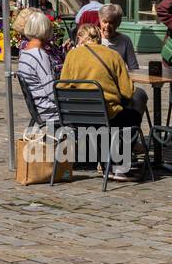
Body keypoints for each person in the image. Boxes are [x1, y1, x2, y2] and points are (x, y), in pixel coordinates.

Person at [59, 22, 141, 179]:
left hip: (78, 116)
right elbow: (128, 91)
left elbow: (63, 86)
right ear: (99, 37)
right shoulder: (112, 55)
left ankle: (106, 163)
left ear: (80, 38)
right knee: (132, 114)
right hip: (107, 115)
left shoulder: (71, 56)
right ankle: (119, 166)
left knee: (111, 118)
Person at [16, 10, 59, 126]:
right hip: (49, 111)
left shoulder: (24, 53)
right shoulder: (40, 55)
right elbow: (52, 92)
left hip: (37, 107)